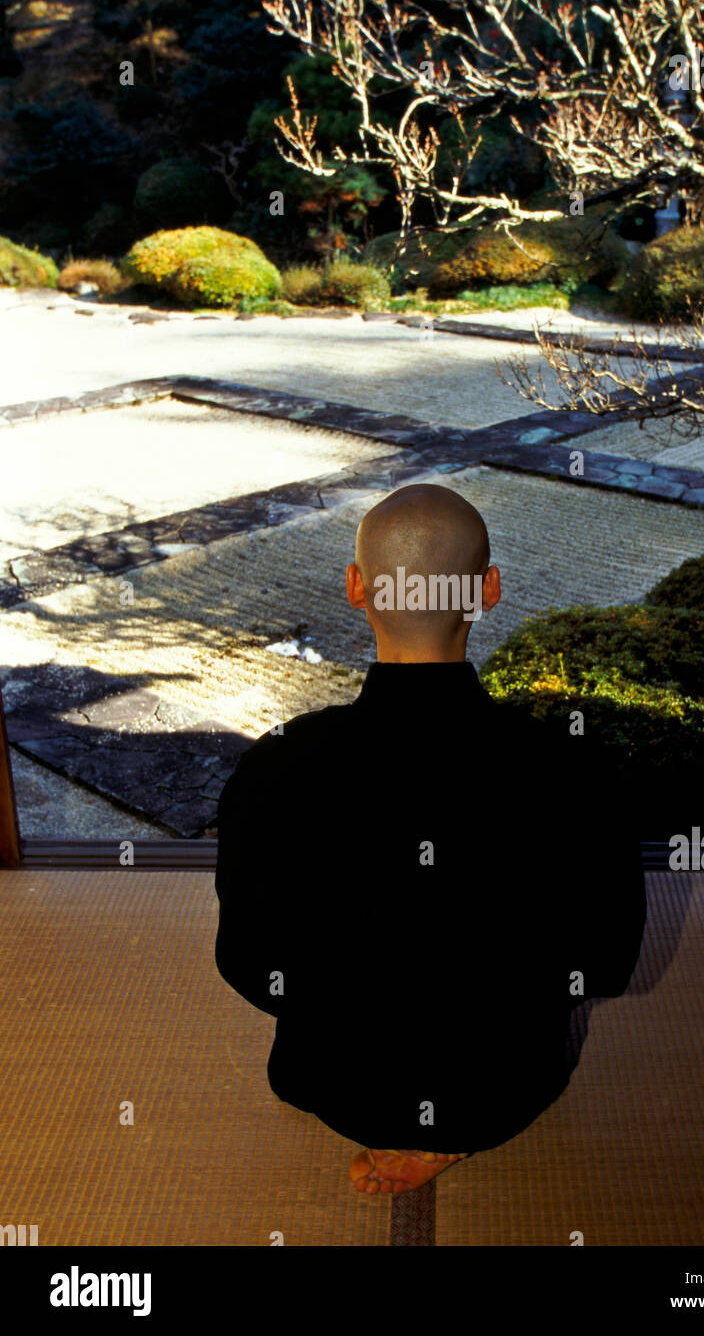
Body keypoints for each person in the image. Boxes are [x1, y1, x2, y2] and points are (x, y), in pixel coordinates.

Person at [214, 484, 646, 1195]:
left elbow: (248, 963)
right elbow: (604, 961)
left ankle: (394, 1117)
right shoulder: (570, 768)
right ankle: (450, 1128)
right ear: (486, 591)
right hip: (500, 1087)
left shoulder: (279, 764)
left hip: (334, 1079)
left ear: (356, 587)